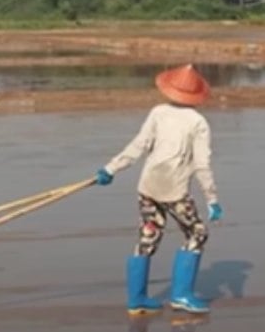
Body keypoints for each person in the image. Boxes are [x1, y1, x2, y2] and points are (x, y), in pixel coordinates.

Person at [94, 64, 223, 315]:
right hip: (174, 191)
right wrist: (212, 199)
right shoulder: (198, 122)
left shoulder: (158, 112)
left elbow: (138, 145)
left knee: (148, 234)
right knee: (197, 233)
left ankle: (137, 298)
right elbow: (202, 164)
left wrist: (110, 169)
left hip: (148, 187)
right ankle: (181, 295)